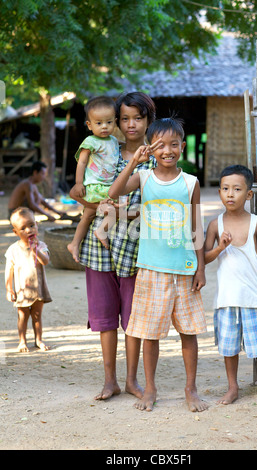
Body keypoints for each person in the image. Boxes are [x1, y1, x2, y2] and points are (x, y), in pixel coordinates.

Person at [108, 117, 207, 413]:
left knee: (188, 332)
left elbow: (196, 226)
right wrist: (134, 162)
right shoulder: (145, 177)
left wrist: (201, 267)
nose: (168, 150)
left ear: (183, 146)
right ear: (151, 147)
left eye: (174, 144)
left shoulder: (191, 183)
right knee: (150, 334)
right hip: (151, 268)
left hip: (185, 269)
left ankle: (191, 388)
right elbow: (114, 193)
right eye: (160, 145)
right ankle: (149, 388)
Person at [71, 92, 157, 401]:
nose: (131, 124)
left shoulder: (160, 157)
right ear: (116, 121)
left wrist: (120, 211)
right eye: (125, 118)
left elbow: (161, 207)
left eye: (138, 118)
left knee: (134, 317)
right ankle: (110, 381)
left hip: (137, 248)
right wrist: (88, 200)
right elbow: (79, 193)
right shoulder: (105, 150)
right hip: (101, 245)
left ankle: (133, 380)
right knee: (105, 315)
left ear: (149, 119)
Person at [204, 164, 257, 408]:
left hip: (253, 296)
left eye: (237, 189)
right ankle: (233, 387)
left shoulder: (256, 224)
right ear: (219, 191)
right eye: (225, 188)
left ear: (248, 194)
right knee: (229, 347)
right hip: (227, 298)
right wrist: (221, 247)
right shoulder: (215, 225)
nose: (230, 194)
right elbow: (205, 258)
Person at [67, 96, 120, 261]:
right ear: (89, 125)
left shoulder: (114, 141)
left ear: (115, 122)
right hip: (95, 186)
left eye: (109, 122)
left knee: (89, 214)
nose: (104, 126)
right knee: (114, 208)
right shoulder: (90, 141)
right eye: (98, 123)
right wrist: (78, 183)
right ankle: (99, 232)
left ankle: (75, 243)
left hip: (108, 186)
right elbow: (82, 162)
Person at [5, 207, 52, 352]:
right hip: (22, 291)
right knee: (22, 316)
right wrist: (9, 289)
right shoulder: (13, 250)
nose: (29, 230)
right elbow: (9, 270)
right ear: (16, 232)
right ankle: (22, 341)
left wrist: (36, 250)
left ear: (37, 224)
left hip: (38, 289)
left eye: (32, 225)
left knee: (37, 316)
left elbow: (45, 261)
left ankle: (38, 339)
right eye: (23, 228)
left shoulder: (41, 246)